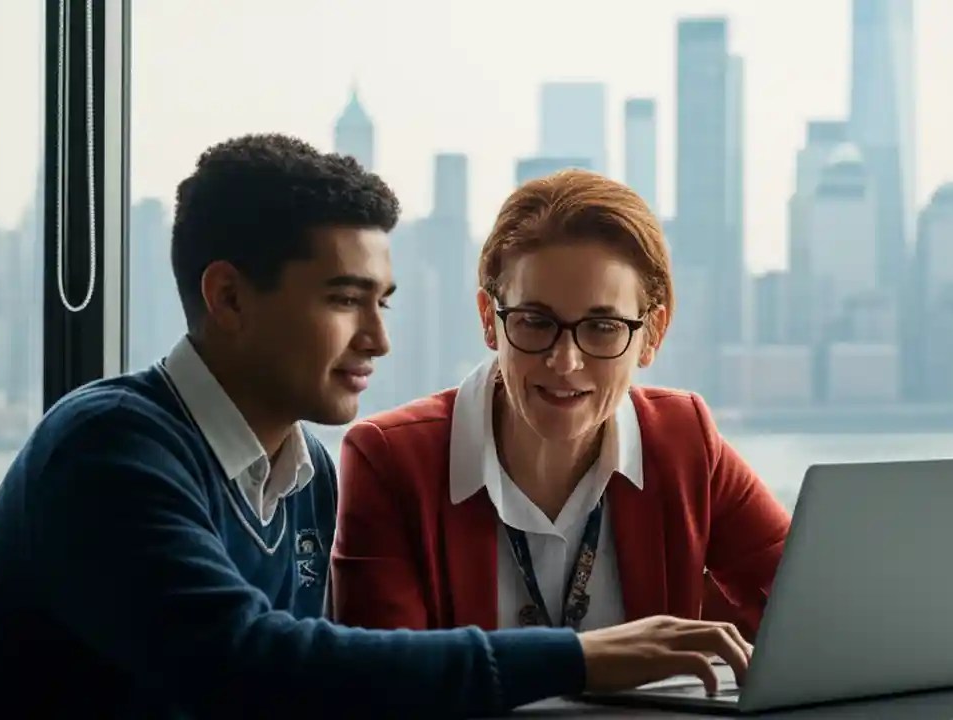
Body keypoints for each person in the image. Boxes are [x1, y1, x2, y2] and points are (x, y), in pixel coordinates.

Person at [0, 136, 751, 719]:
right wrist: (580, 657)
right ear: (229, 298)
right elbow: (253, 667)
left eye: (382, 302)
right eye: (343, 299)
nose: (378, 338)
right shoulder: (108, 449)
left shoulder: (304, 473)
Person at [332, 170, 792, 639]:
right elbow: (384, 685)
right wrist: (583, 667)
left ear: (652, 334)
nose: (565, 361)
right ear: (489, 320)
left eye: (602, 327)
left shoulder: (684, 438)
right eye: (535, 321)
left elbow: (809, 603)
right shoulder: (389, 460)